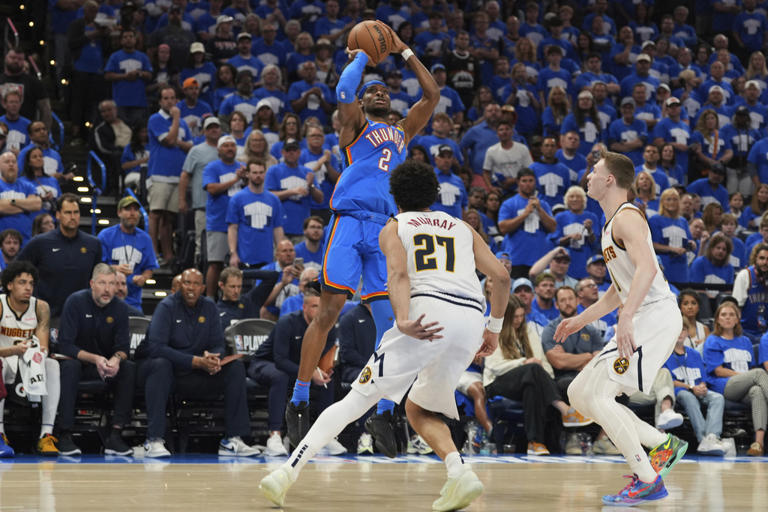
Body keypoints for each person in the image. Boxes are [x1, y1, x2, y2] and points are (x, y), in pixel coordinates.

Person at [260, 158, 510, 511]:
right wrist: (493, 329)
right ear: (435, 194)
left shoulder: (395, 225)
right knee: (418, 408)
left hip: (427, 313)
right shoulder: (461, 227)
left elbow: (398, 275)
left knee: (354, 401)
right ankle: (460, 473)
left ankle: (285, 474)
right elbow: (500, 277)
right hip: (470, 318)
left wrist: (404, 318)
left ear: (394, 196)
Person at [283, 22, 439, 451]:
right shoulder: (353, 127)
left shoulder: (403, 133)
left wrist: (405, 50)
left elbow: (431, 96)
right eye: (372, 90)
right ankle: (299, 401)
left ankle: (385, 412)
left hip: (386, 228)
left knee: (393, 324)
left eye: (384, 90)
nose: (380, 92)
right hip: (350, 222)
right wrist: (360, 58)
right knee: (329, 310)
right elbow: (342, 95)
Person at [554, 151, 685, 506]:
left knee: (601, 395)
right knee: (579, 393)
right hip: (640, 315)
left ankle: (647, 479)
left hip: (653, 317)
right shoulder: (611, 223)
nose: (589, 177)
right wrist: (582, 318)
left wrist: (626, 318)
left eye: (594, 171)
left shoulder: (628, 218)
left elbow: (646, 269)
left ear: (610, 179)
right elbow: (618, 288)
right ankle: (662, 444)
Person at [136, 268, 259, 458]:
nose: (191, 288)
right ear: (180, 285)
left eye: (195, 284)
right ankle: (154, 440)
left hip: (200, 373)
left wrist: (214, 357)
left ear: (203, 287)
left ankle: (233, 439)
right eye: (187, 283)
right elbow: (156, 347)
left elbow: (218, 343)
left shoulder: (209, 307)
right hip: (172, 374)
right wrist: (194, 361)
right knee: (160, 364)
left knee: (234, 367)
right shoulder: (166, 307)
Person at [484, 294, 591, 456]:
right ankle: (565, 410)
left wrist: (545, 378)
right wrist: (523, 363)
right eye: (515, 317)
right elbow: (494, 367)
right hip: (497, 383)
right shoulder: (494, 330)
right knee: (532, 370)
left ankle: (535, 443)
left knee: (533, 385)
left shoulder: (527, 330)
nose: (519, 320)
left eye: (521, 316)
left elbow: (543, 362)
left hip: (528, 379)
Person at [55, 264, 135, 457]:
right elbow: (65, 345)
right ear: (92, 284)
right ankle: (64, 434)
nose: (107, 289)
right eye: (102, 283)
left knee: (129, 367)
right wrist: (96, 359)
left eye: (112, 284)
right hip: (80, 363)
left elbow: (123, 348)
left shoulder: (121, 309)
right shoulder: (75, 302)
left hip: (106, 367)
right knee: (70, 367)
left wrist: (115, 360)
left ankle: (115, 434)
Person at [0, 261, 59, 458]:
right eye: (22, 282)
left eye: (31, 284)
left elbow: (43, 347)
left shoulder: (41, 307)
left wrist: (33, 353)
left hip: (27, 359)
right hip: (4, 358)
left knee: (52, 364)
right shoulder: (0, 304)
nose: (28, 288)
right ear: (9, 285)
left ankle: (46, 434)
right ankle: (0, 434)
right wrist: (13, 350)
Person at [17, 194, 102, 318]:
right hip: (45, 317)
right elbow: (16, 270)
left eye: (76, 212)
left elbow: (96, 281)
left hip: (82, 317)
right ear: (58, 215)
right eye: (67, 212)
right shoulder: (40, 243)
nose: (72, 217)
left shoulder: (93, 244)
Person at [703, 301, 768, 456]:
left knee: (758, 391)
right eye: (723, 315)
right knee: (758, 374)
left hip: (745, 385)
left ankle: (758, 443)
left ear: (737, 319)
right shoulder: (713, 340)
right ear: (717, 319)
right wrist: (744, 376)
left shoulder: (745, 341)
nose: (728, 318)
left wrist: (747, 376)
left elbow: (750, 368)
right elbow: (718, 371)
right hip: (724, 386)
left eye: (732, 314)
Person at [664, 322, 726, 455]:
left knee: (717, 397)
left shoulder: (695, 354)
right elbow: (667, 381)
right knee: (688, 396)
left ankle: (712, 436)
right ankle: (703, 440)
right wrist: (691, 387)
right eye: (677, 329)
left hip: (698, 389)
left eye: (683, 330)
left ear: (687, 333)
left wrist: (702, 386)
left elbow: (703, 378)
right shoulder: (665, 353)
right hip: (680, 391)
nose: (680, 333)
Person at [147, 86, 193, 266]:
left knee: (169, 218)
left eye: (173, 98)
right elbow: (168, 141)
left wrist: (177, 138)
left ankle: (167, 255)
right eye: (165, 98)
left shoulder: (182, 123)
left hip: (177, 176)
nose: (169, 101)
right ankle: (152, 253)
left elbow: (190, 146)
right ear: (160, 101)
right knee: (156, 214)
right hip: (159, 174)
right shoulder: (155, 119)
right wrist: (175, 119)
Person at [98, 196, 158, 313]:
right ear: (119, 212)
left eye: (135, 210)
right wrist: (115, 269)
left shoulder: (145, 239)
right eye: (127, 209)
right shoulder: (106, 235)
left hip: (134, 301)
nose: (132, 213)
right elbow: (97, 266)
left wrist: (143, 278)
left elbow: (149, 268)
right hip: (108, 298)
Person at [202, 135, 246, 296]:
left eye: (232, 146)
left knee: (237, 265)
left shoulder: (243, 167)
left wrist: (247, 179)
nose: (229, 148)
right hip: (218, 222)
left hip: (240, 224)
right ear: (219, 149)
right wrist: (236, 179)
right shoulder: (212, 168)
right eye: (226, 146)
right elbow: (212, 189)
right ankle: (210, 299)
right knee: (215, 263)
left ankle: (235, 298)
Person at [498, 168, 556, 279]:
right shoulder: (509, 203)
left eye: (530, 181)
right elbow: (503, 228)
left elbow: (553, 227)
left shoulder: (543, 204)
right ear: (518, 182)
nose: (528, 184)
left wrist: (539, 209)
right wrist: (525, 214)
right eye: (524, 181)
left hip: (539, 258)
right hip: (517, 258)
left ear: (535, 182)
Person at [226, 159, 284, 269]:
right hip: (245, 257)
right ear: (247, 174)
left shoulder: (274, 200)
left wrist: (280, 251)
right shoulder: (237, 199)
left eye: (261, 172)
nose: (258, 176)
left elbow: (277, 228)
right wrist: (233, 253)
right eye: (255, 173)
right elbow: (232, 228)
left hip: (267, 257)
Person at [179, 116, 222, 263]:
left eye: (216, 127)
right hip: (202, 206)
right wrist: (182, 199)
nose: (214, 130)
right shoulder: (196, 150)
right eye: (210, 128)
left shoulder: (228, 150)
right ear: (204, 131)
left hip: (224, 207)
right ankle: (199, 274)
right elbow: (185, 176)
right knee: (201, 243)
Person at [0, 151, 40, 244]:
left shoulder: (28, 186)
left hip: (25, 241)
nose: (11, 164)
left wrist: (11, 202)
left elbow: (36, 204)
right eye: (7, 162)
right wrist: (26, 206)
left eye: (14, 162)